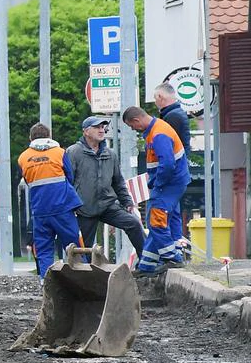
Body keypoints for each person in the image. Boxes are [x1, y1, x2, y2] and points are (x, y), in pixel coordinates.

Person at [65, 115, 146, 259]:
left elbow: (118, 182)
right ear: (86, 131)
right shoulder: (73, 152)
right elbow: (67, 182)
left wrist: (127, 202)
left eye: (103, 127)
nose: (102, 130)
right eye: (97, 127)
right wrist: (71, 206)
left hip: (107, 205)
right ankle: (85, 274)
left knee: (133, 223)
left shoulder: (110, 154)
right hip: (84, 208)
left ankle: (146, 260)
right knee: (84, 248)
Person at [122, 104, 190, 273]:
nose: (134, 129)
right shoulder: (158, 129)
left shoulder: (158, 134)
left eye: (132, 126)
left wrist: (158, 184)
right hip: (174, 182)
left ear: (137, 120)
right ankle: (147, 265)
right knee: (165, 220)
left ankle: (173, 258)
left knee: (156, 221)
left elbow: (167, 164)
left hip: (168, 184)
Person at [16, 122, 83, 277]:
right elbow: (70, 176)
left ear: (30, 138)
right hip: (63, 207)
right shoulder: (60, 152)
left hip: (40, 210)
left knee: (43, 248)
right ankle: (82, 276)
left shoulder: (23, 158)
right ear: (49, 136)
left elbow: (27, 181)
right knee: (74, 244)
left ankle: (46, 282)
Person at [154, 82, 192, 155]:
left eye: (155, 99)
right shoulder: (176, 113)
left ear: (160, 97)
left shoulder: (172, 116)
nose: (155, 102)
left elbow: (168, 144)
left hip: (176, 162)